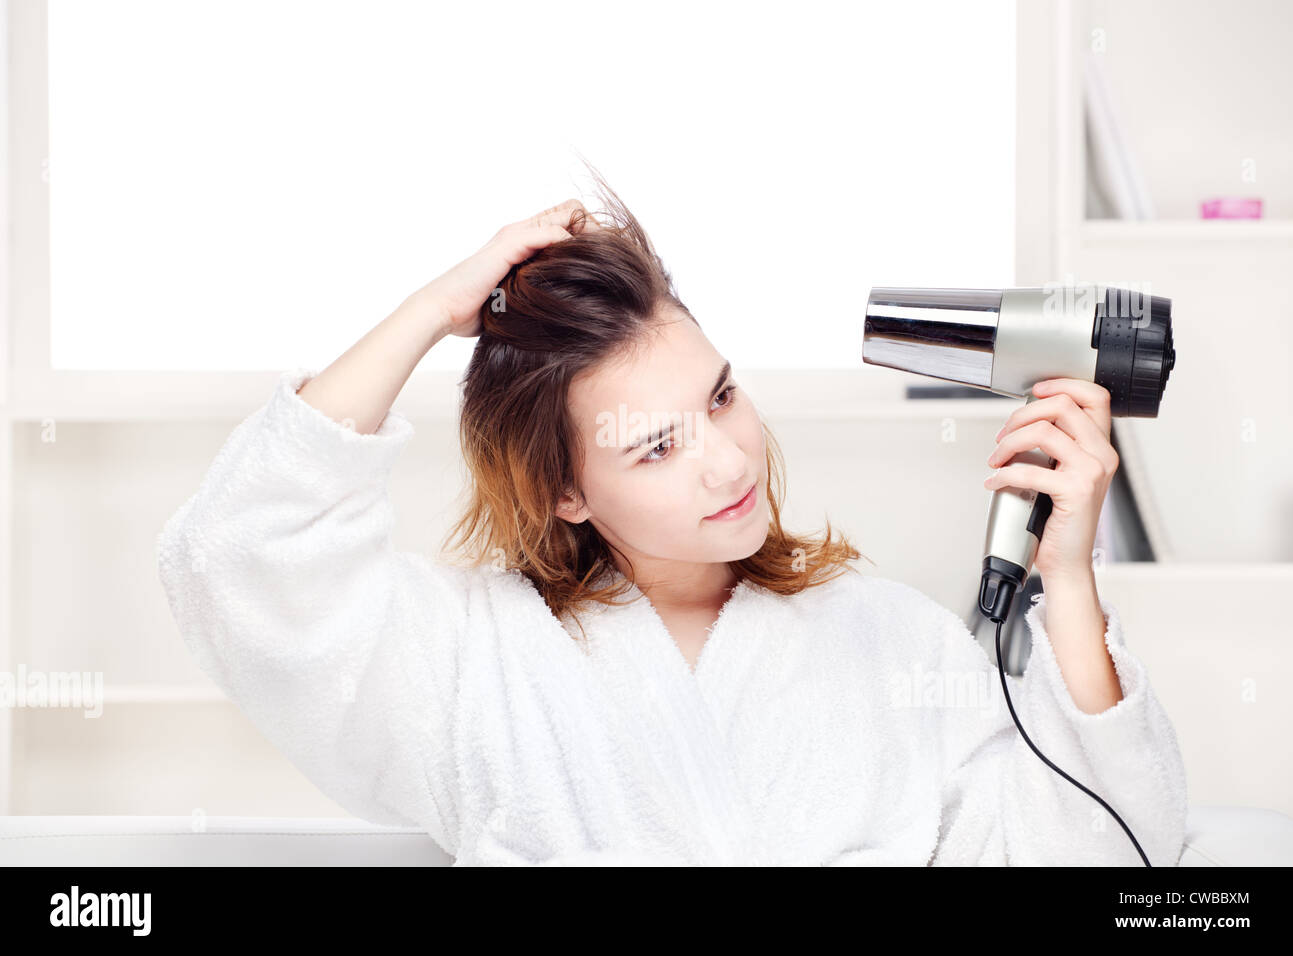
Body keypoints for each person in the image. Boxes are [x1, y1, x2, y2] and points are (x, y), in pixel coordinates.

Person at [156, 167, 1188, 866]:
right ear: (564, 491)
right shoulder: (474, 663)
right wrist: (432, 308)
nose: (726, 458)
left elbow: (1107, 850)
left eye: (722, 396)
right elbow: (237, 562)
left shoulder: (886, 639)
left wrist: (1069, 580)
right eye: (655, 445)